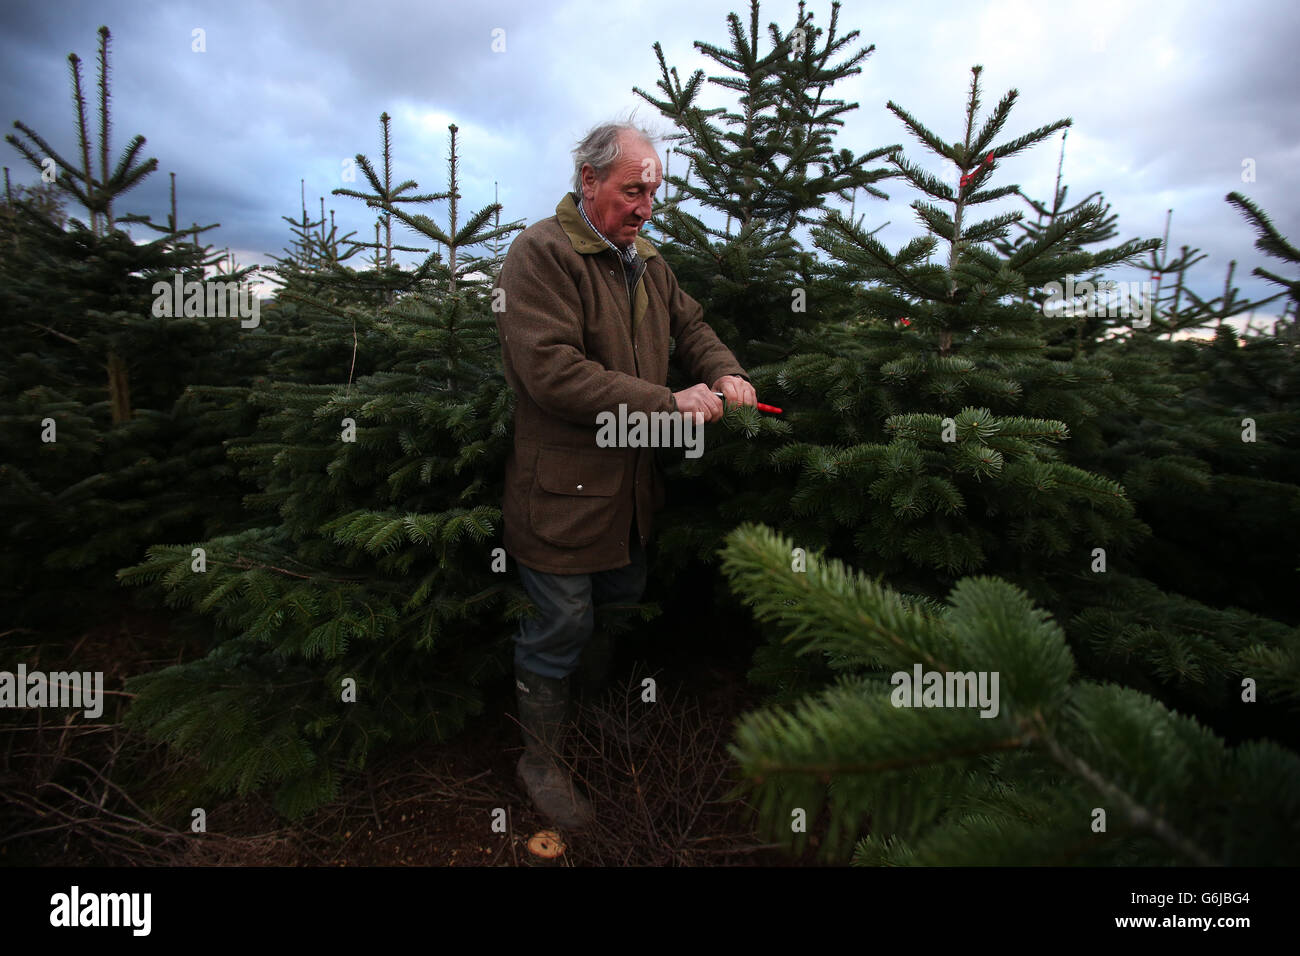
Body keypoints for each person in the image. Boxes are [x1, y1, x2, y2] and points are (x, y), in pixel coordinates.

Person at [493, 121, 758, 829]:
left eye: (654, 191)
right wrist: (667, 401)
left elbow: (692, 326)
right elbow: (552, 373)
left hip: (632, 492)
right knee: (560, 623)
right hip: (563, 496)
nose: (645, 205)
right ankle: (541, 760)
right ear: (589, 181)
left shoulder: (648, 260)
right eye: (632, 190)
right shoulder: (541, 255)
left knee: (617, 603)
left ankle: (588, 717)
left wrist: (724, 370)